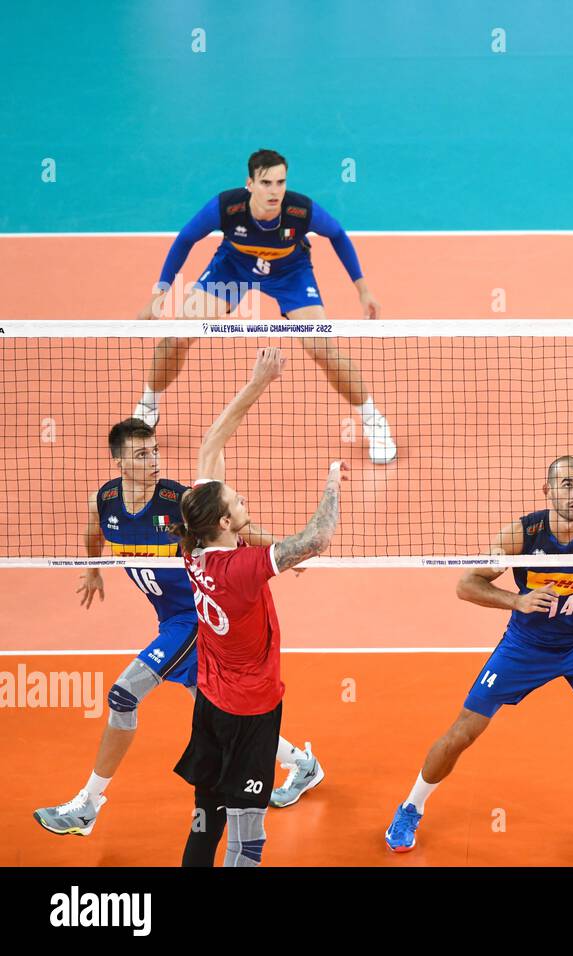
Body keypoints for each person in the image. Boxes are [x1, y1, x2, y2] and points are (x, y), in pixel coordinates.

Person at [32, 416, 319, 835]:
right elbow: (95, 531)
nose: (153, 460)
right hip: (168, 619)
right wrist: (93, 569)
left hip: (193, 620)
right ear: (119, 463)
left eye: (155, 451)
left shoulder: (177, 499)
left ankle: (87, 806)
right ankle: (303, 764)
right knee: (216, 712)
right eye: (141, 454)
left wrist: (282, 550)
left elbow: (234, 525)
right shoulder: (106, 499)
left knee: (123, 695)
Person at [384, 456, 573, 858]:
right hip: (526, 647)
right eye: (567, 485)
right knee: (462, 732)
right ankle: (411, 806)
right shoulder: (524, 533)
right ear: (547, 491)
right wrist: (518, 600)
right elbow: (467, 585)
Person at [172, 348, 347, 866]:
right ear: (224, 524)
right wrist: (333, 484)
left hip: (210, 700)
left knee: (206, 819)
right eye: (238, 503)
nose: (243, 501)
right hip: (252, 710)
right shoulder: (244, 569)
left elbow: (211, 444)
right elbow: (316, 539)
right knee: (249, 839)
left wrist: (257, 383)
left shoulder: (194, 545)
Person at [132, 148, 396, 464]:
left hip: (290, 271)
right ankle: (149, 404)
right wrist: (160, 292)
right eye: (266, 182)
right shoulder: (226, 207)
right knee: (178, 336)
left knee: (322, 348)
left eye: (280, 182)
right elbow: (185, 239)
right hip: (234, 266)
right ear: (250, 183)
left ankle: (373, 420)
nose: (275, 191)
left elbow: (338, 234)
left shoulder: (300, 211)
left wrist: (363, 291)